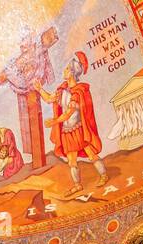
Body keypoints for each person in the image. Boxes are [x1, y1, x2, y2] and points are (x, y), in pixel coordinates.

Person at [37, 52, 108, 195]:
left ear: (72, 72)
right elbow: (49, 99)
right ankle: (77, 185)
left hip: (79, 129)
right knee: (71, 160)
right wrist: (39, 89)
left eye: (67, 69)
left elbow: (70, 112)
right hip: (67, 130)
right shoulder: (63, 90)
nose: (64, 71)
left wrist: (55, 121)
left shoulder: (78, 91)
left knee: (91, 154)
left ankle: (104, 175)